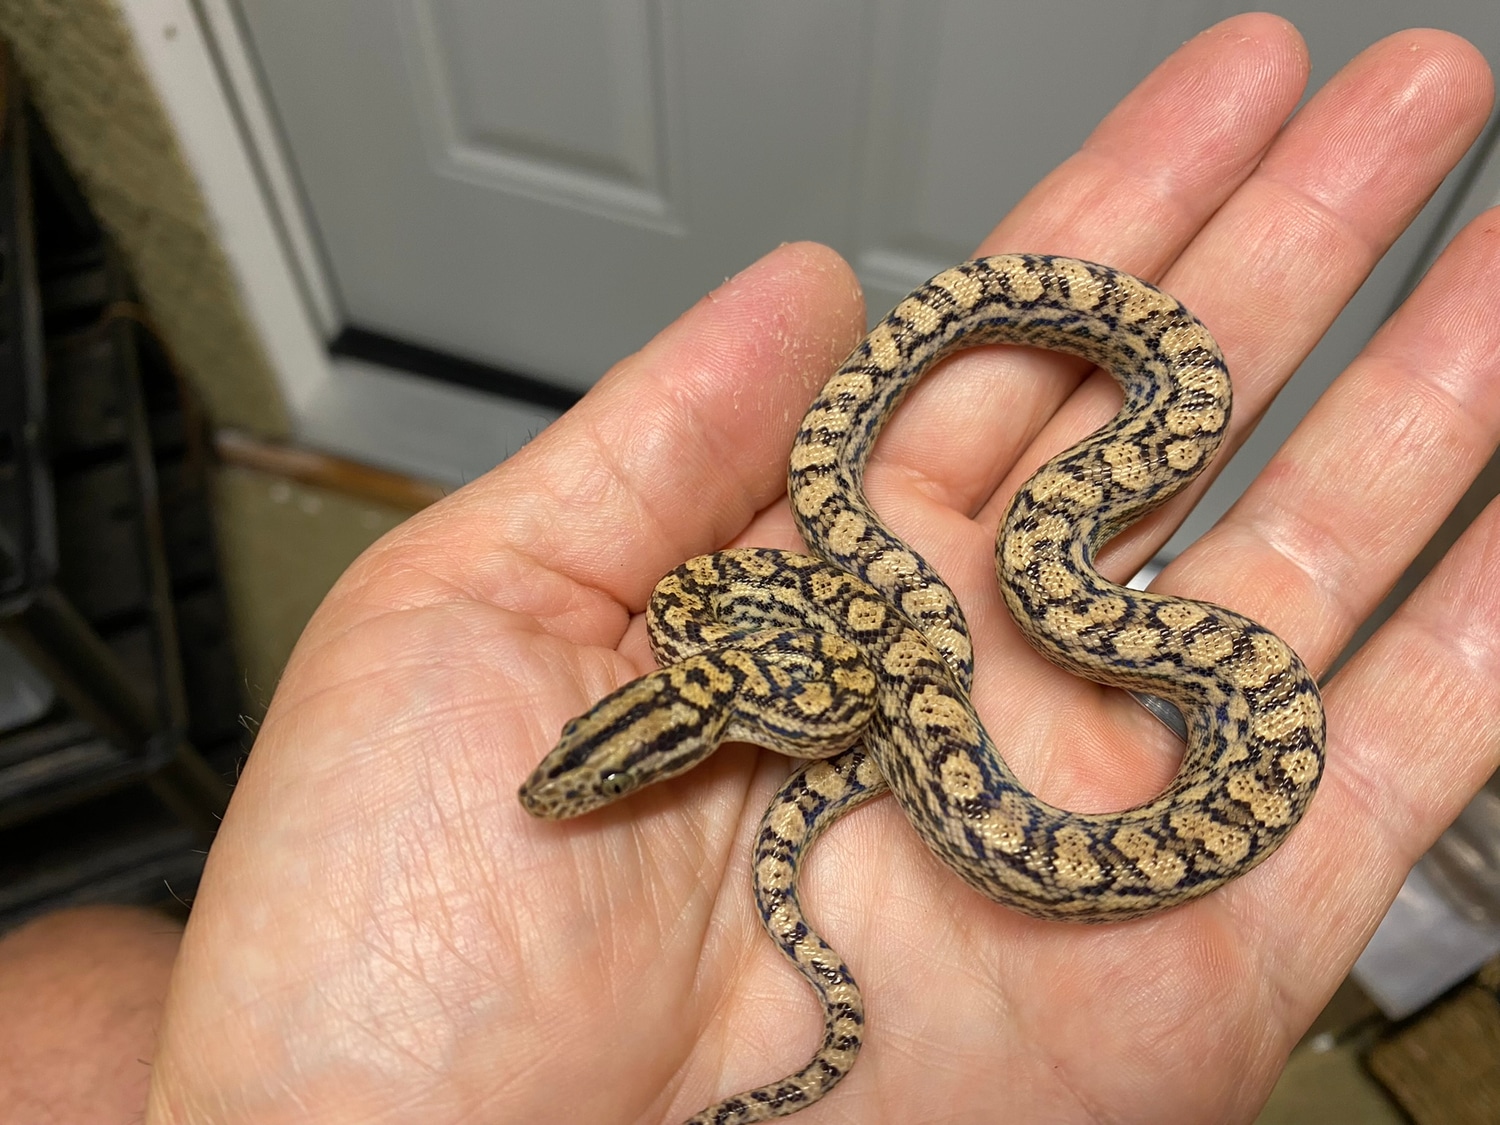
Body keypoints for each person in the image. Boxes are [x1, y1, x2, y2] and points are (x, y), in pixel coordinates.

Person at [3, 13, 1497, 1123]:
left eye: (599, 768)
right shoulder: (776, 655)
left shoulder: (816, 640)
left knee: (1045, 570)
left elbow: (849, 674)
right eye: (604, 771)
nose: (585, 784)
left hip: (992, 637)